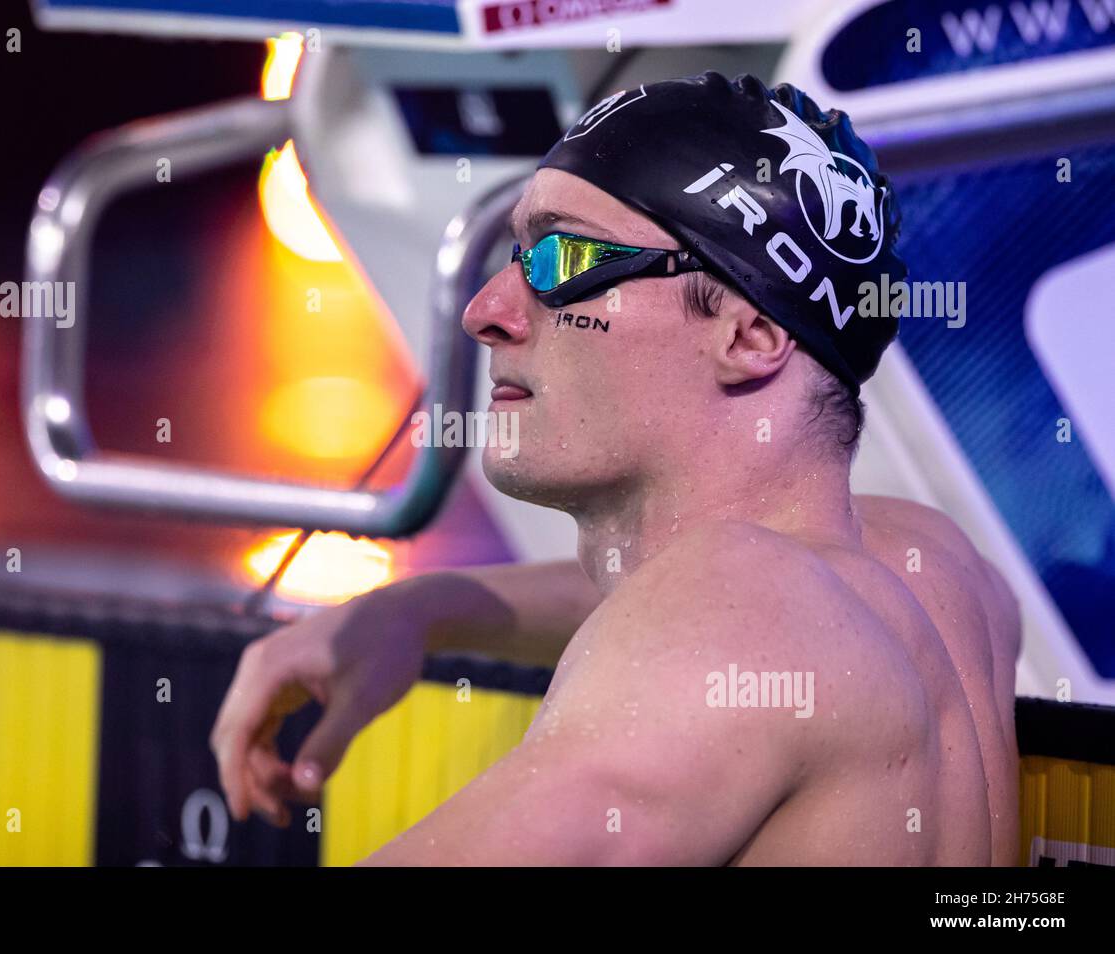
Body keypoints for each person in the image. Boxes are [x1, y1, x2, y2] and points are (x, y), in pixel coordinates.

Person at [210, 72, 1021, 865]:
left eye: (562, 259)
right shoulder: (929, 569)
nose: (484, 311)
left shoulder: (741, 613)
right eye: (513, 253)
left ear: (747, 337)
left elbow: (724, 627)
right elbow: (725, 613)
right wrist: (421, 610)